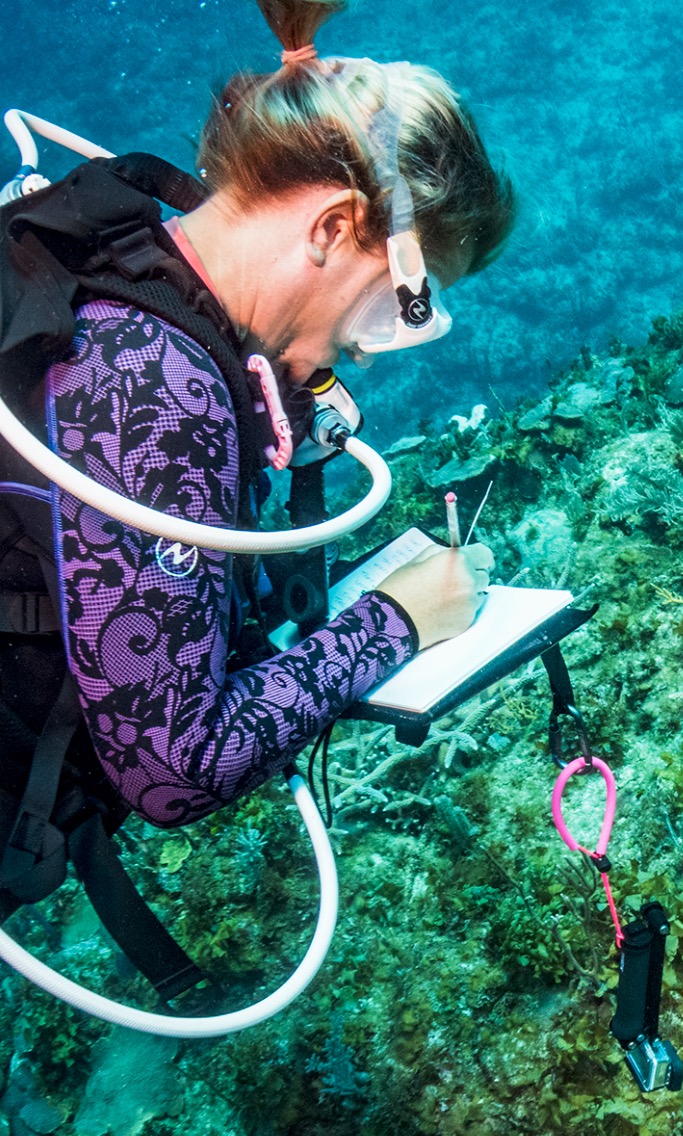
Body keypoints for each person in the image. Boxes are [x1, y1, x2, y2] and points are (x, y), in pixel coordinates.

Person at [0, 0, 513, 979]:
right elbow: (172, 766)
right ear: (333, 225)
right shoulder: (160, 386)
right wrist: (396, 624)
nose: (377, 342)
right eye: (403, 299)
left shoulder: (130, 252)